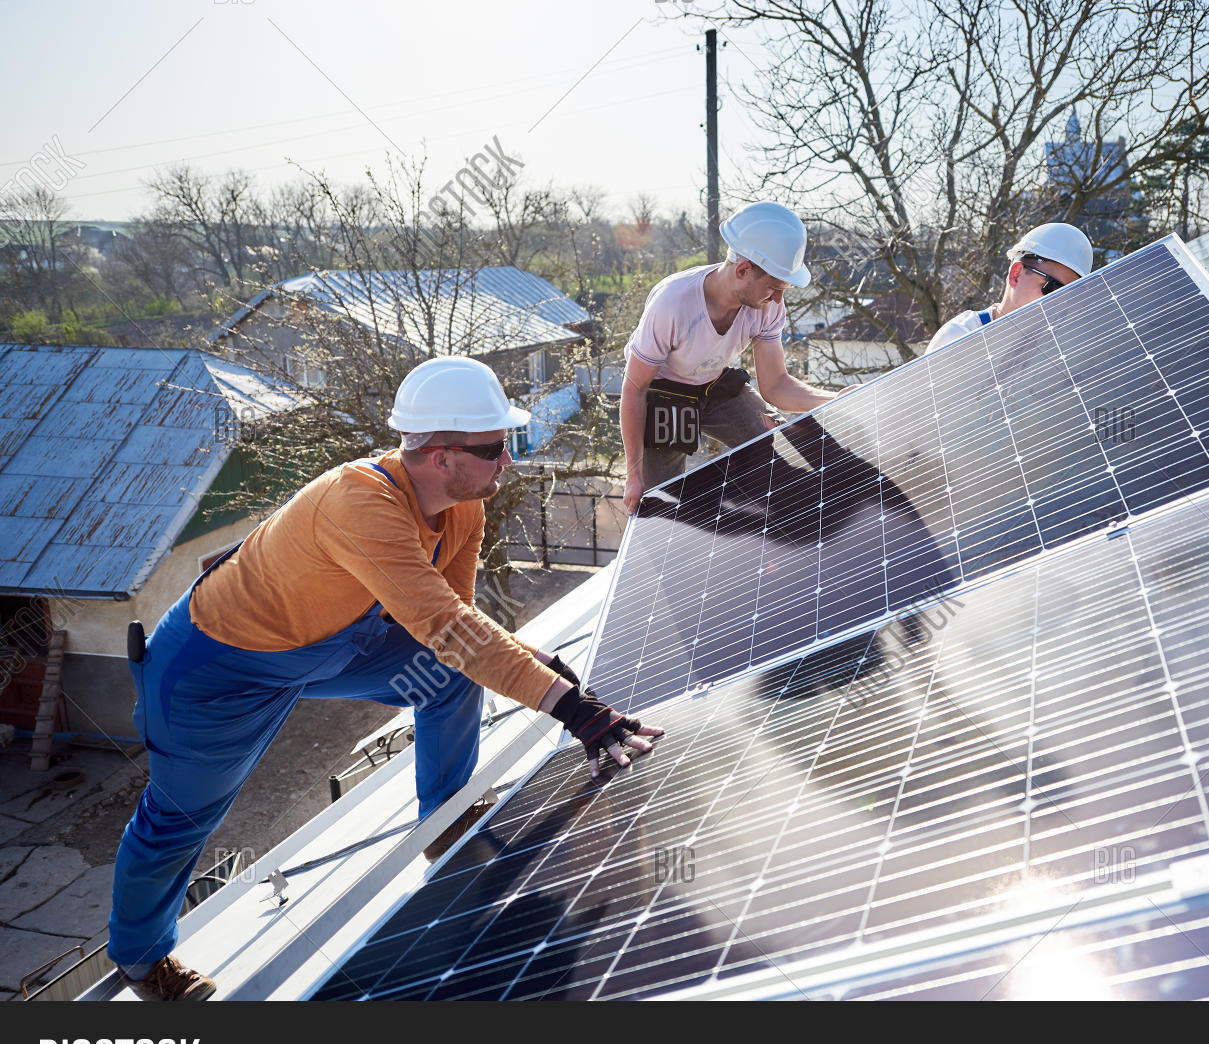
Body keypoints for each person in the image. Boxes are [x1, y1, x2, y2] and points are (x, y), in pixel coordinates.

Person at [108, 355, 662, 1001]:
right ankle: (143, 962)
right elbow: (444, 627)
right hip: (218, 667)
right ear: (440, 456)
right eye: (493, 448)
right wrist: (573, 711)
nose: (507, 460)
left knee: (449, 679)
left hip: (335, 639)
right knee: (179, 819)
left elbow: (457, 625)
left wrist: (551, 674)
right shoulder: (358, 502)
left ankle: (443, 824)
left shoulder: (461, 504)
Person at [621, 200, 845, 515]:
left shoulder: (768, 306)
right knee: (662, 501)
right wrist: (633, 475)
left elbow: (777, 384)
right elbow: (634, 389)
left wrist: (834, 399)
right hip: (664, 394)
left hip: (715, 384)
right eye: (773, 288)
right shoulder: (672, 304)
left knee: (774, 439)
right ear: (742, 270)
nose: (779, 299)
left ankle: (788, 526)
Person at [926, 223, 1094, 354]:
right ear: (1016, 274)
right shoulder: (959, 339)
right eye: (1053, 289)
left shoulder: (1057, 352)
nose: (1057, 305)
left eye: (1069, 297)